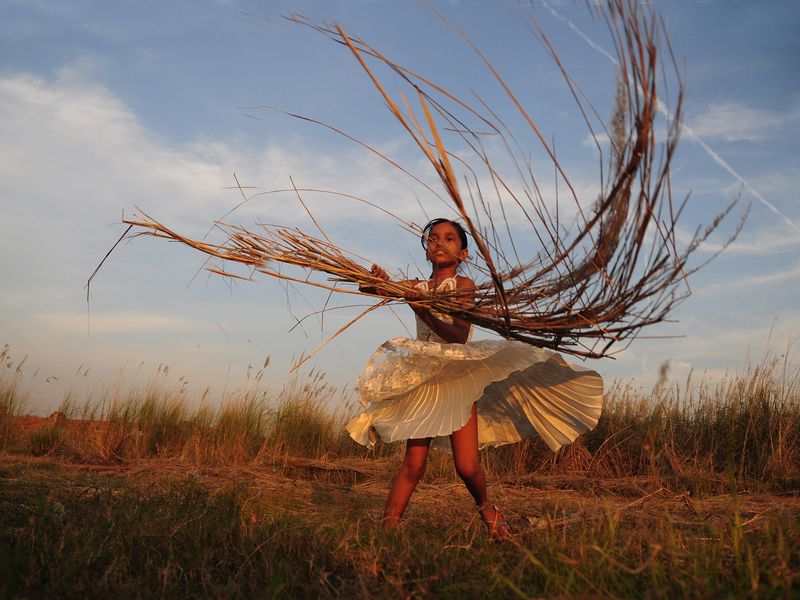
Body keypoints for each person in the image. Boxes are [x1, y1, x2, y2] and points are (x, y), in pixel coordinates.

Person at [347, 218, 603, 541]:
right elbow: (369, 288)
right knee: (413, 464)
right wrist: (376, 281)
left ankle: (488, 512)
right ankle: (387, 529)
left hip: (458, 380)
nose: (440, 243)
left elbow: (457, 336)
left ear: (463, 254)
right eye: (434, 239)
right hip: (423, 383)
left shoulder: (464, 287)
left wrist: (420, 306)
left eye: (450, 239)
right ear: (426, 251)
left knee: (467, 466)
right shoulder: (417, 287)